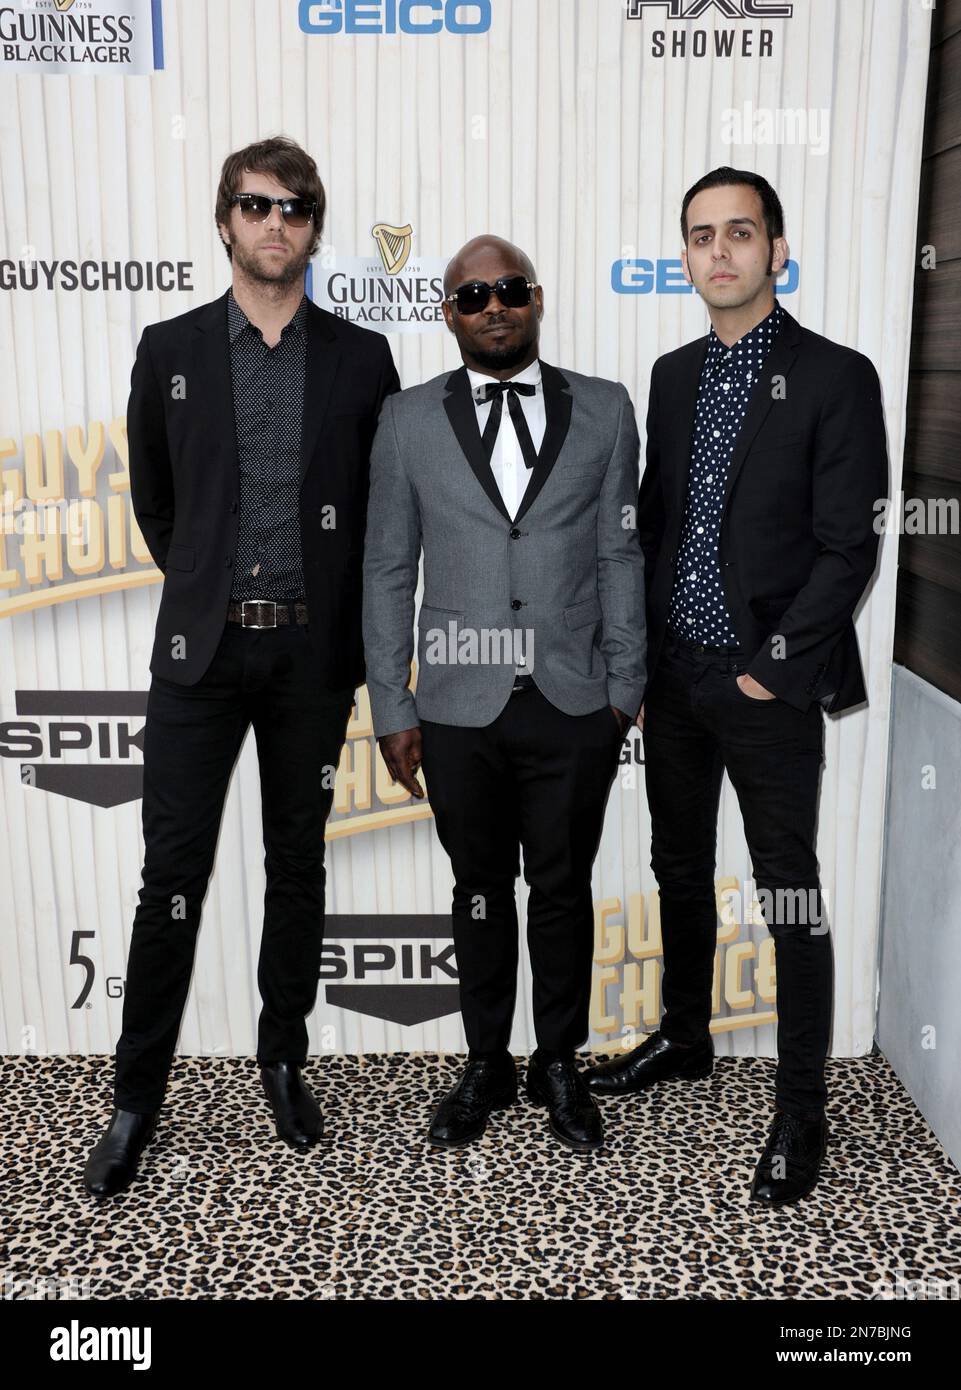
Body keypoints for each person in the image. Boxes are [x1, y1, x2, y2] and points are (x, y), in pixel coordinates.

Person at [83, 135, 400, 1198]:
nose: (276, 224)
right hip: (201, 658)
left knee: (297, 863)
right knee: (170, 876)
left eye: (296, 207)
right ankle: (136, 1098)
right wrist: (216, 588)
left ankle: (281, 1057)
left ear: (315, 224)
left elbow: (375, 522)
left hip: (311, 659)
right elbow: (161, 507)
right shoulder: (167, 348)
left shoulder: (361, 360)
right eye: (256, 206)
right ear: (224, 219)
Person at [585, 168, 888, 1204]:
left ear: (776, 249)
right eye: (701, 236)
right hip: (674, 677)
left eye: (739, 234)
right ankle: (684, 1038)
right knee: (676, 868)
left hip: (766, 685)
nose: (719, 252)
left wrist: (774, 666)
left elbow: (849, 548)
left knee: (789, 890)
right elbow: (656, 520)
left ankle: (801, 1107)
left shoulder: (836, 376)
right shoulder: (670, 377)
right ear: (684, 257)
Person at [362, 235, 645, 1152]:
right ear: (448, 312)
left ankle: (556, 1060)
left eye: (510, 288)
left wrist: (625, 688)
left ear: (536, 299)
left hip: (572, 702)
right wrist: (393, 706)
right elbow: (385, 570)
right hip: (454, 704)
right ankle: (486, 1060)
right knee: (479, 887)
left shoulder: (604, 410)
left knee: (561, 889)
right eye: (473, 293)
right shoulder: (405, 420)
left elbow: (617, 553)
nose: (494, 304)